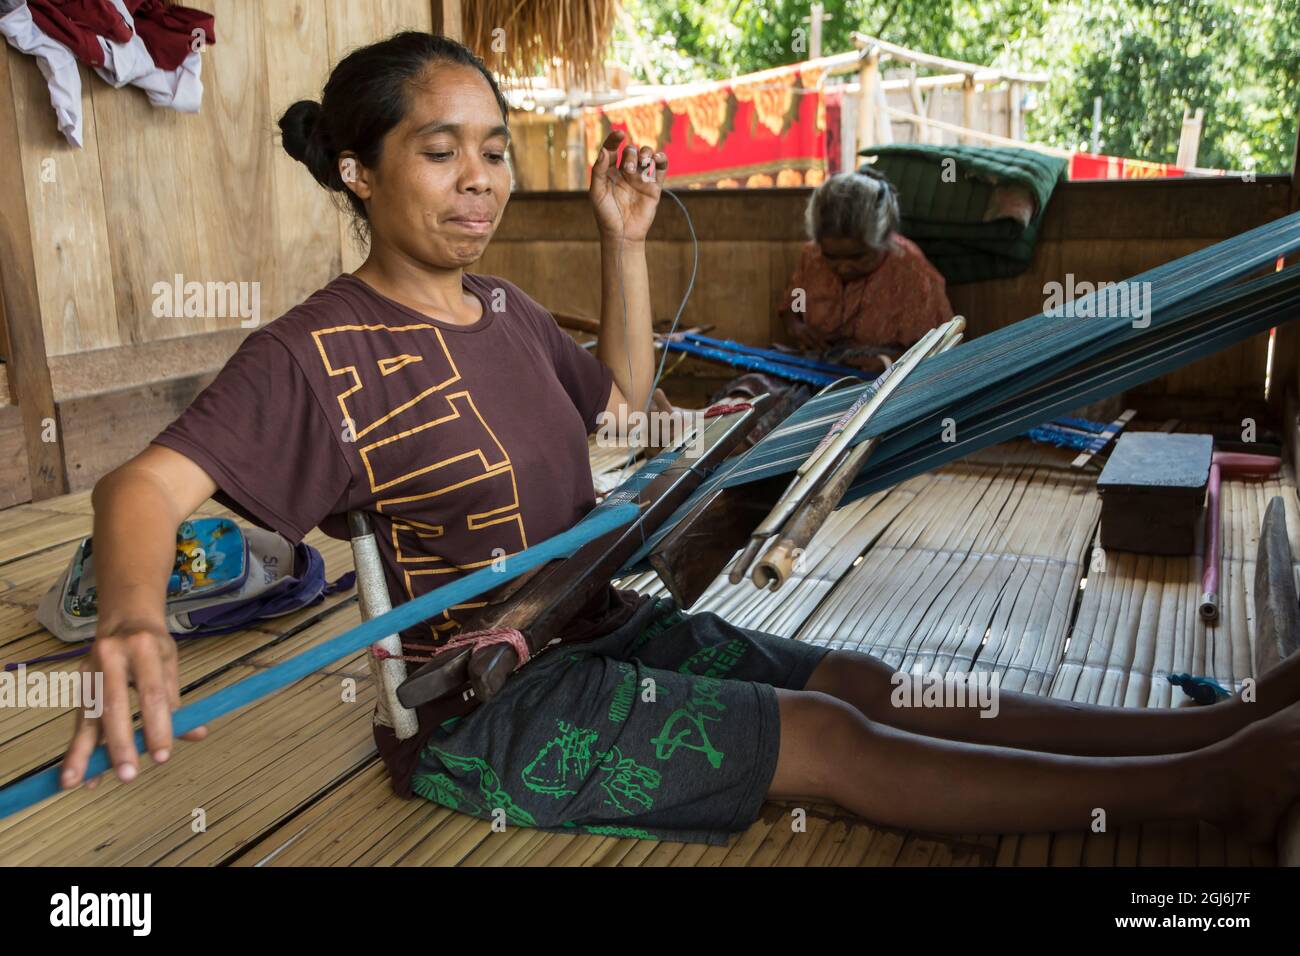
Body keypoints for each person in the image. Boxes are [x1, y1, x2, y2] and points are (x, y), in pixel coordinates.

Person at [59, 31, 1300, 847]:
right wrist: (127, 617)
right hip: (485, 702)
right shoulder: (311, 352)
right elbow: (142, 485)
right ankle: (1206, 786)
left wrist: (623, 238)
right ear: (356, 171)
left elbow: (620, 405)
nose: (479, 182)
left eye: (492, 151)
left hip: (595, 613)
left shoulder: (500, 306)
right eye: (440, 154)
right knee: (833, 738)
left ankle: (1205, 729)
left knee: (861, 678)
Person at [779, 165, 953, 369]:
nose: (843, 267)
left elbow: (942, 347)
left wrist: (886, 363)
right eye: (831, 257)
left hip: (888, 377)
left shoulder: (912, 270)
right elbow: (793, 304)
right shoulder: (813, 256)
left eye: (858, 257)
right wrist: (796, 326)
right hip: (820, 365)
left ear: (883, 240)